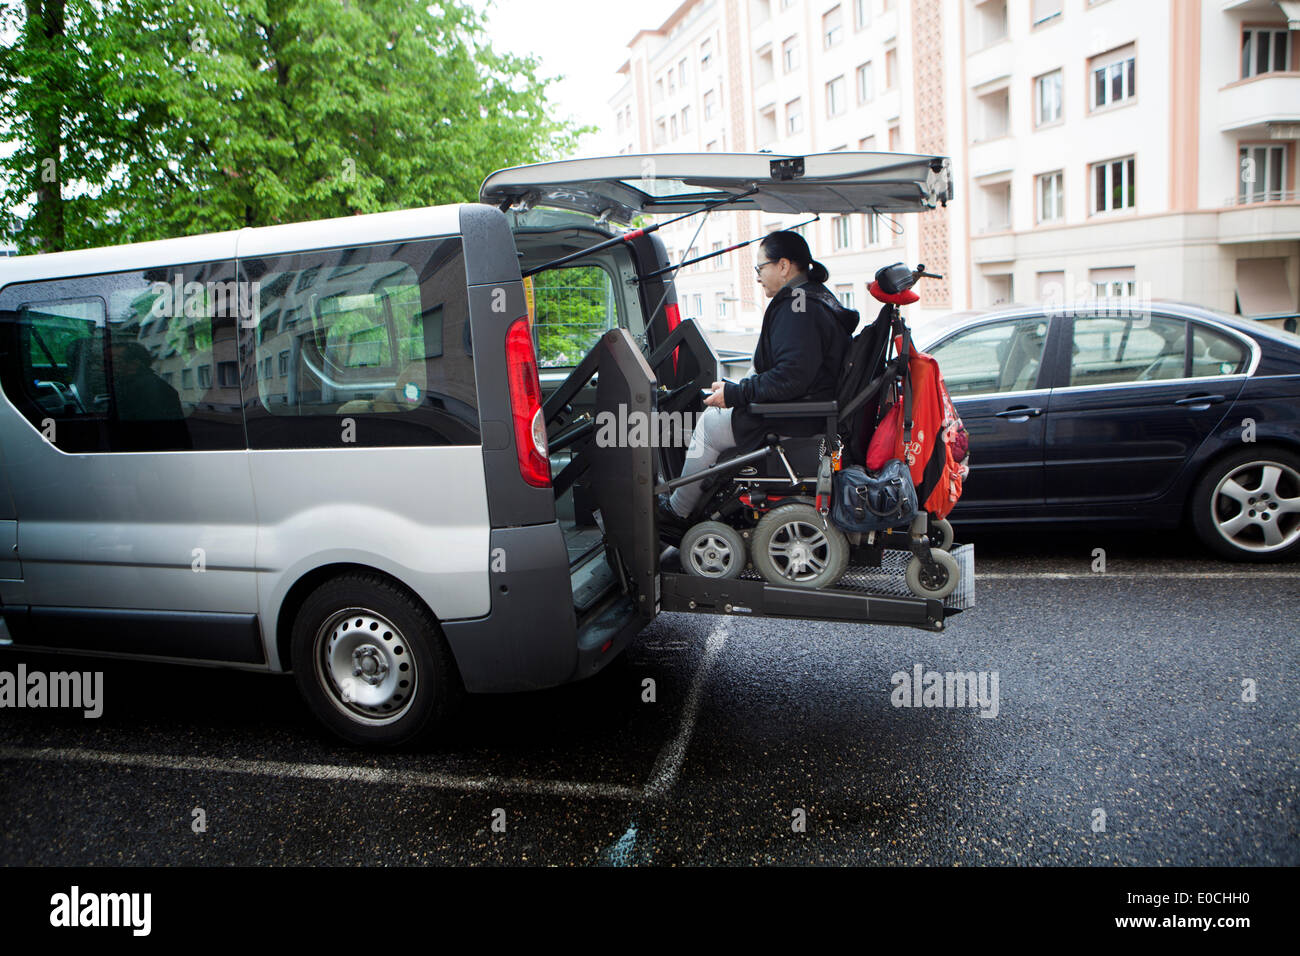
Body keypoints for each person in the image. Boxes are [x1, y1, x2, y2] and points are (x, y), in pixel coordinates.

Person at [657, 229, 859, 533]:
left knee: (710, 425)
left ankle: (679, 511)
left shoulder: (797, 307)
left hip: (798, 418)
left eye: (760, 268)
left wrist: (738, 394)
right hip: (812, 409)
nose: (757, 276)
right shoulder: (813, 297)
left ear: (784, 266)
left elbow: (791, 378)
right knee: (715, 416)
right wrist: (738, 391)